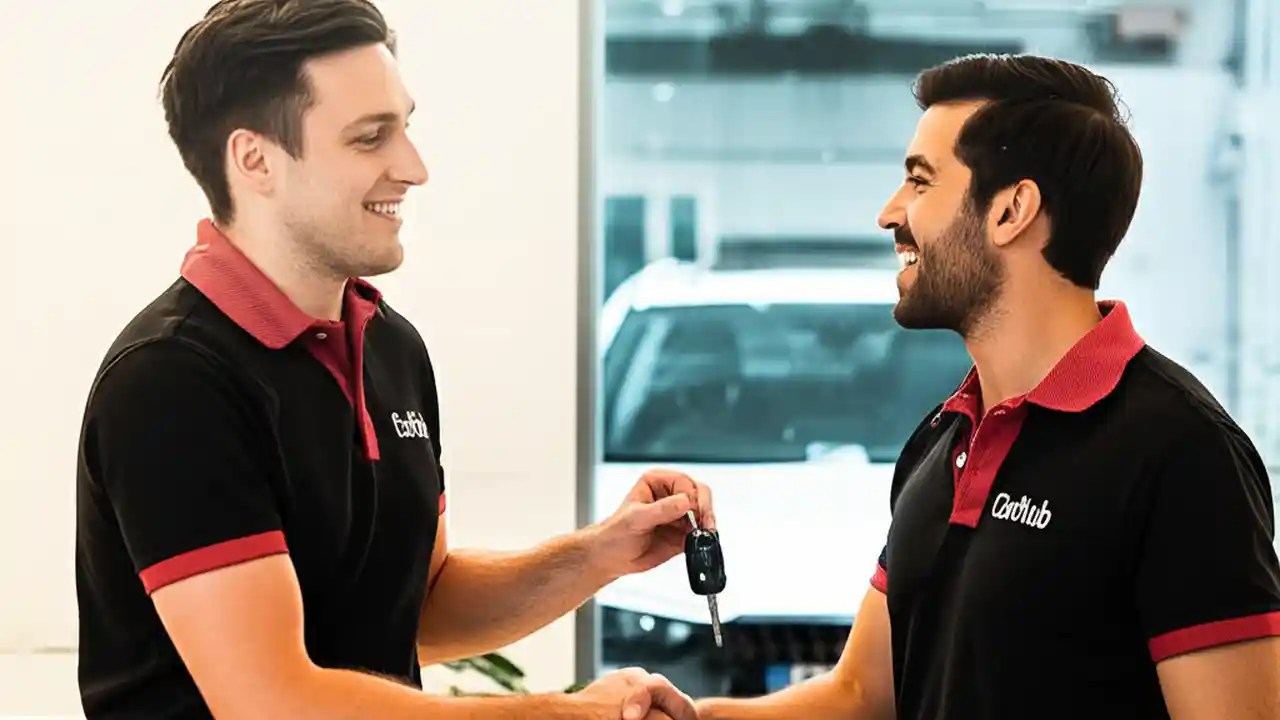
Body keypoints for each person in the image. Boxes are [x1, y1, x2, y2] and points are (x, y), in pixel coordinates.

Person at [72, 2, 709, 718]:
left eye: (405, 127)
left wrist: (599, 555)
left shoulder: (390, 346)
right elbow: (271, 702)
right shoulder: (171, 381)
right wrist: (566, 714)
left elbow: (421, 606)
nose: (413, 167)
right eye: (371, 137)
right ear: (255, 161)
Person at [693, 54, 1280, 720]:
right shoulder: (944, 440)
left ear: (1011, 210)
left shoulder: (1183, 454)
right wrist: (688, 717)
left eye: (919, 182)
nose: (890, 213)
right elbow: (861, 695)